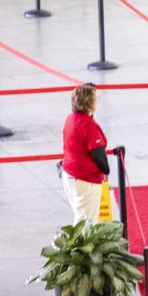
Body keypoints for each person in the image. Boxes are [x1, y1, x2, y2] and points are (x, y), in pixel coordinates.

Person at [60, 83, 109, 225]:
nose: (97, 101)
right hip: (84, 179)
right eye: (95, 98)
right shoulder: (88, 125)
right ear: (90, 102)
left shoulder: (70, 118)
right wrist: (106, 170)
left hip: (69, 174)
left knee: (80, 215)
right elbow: (98, 153)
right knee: (86, 222)